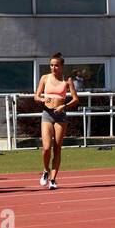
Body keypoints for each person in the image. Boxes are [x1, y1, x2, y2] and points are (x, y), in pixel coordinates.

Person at [34, 52, 79, 190]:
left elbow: (76, 99)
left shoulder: (67, 80)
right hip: (47, 114)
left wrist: (63, 106)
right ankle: (46, 170)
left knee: (57, 148)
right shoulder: (45, 78)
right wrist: (42, 99)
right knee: (46, 147)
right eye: (51, 65)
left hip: (61, 116)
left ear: (62, 66)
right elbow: (36, 96)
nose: (53, 68)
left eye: (56, 65)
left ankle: (53, 179)